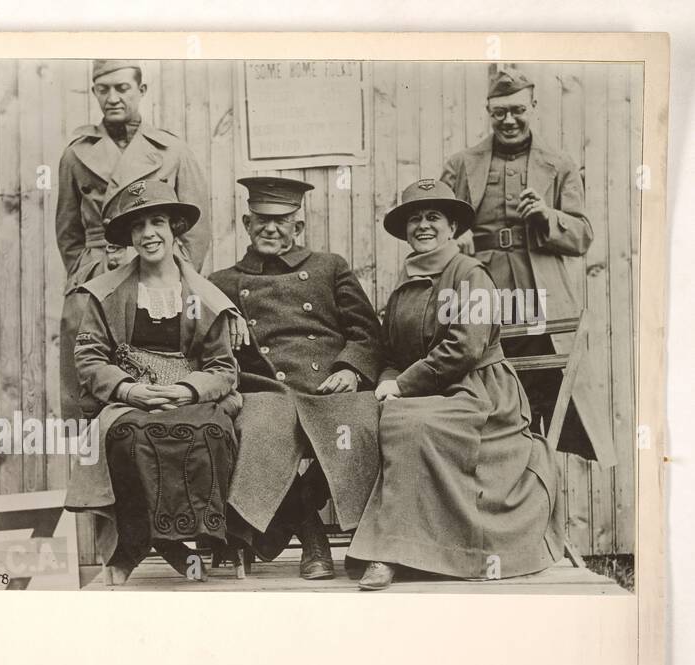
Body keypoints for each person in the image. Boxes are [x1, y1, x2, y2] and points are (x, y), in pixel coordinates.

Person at [348, 179, 565, 591]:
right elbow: (392, 353)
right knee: (369, 415)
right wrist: (389, 380)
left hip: (482, 393)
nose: (423, 226)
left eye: (434, 218)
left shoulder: (471, 275)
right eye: (415, 219)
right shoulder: (403, 285)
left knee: (408, 424)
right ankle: (410, 545)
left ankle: (390, 552)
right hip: (431, 391)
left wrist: (403, 386)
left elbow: (464, 347)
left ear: (452, 228)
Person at [63, 178, 242, 585]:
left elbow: (223, 368)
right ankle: (135, 544)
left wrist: (186, 391)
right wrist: (130, 390)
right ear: (129, 235)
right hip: (132, 397)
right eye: (139, 226)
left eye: (157, 222)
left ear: (174, 228)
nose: (149, 234)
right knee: (127, 435)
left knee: (210, 432)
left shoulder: (205, 296)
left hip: (190, 396)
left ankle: (194, 544)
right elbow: (89, 357)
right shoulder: (105, 294)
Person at [209, 177, 383, 579]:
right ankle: (314, 539)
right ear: (246, 224)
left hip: (329, 385)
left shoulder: (329, 267)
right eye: (261, 220)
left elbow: (366, 332)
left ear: (298, 227)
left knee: (360, 427)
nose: (271, 229)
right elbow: (212, 349)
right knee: (260, 430)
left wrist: (349, 368)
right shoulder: (222, 282)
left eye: (282, 221)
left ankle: (359, 541)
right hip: (265, 387)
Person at [440, 66, 614, 466]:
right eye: (499, 112)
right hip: (481, 299)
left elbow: (583, 236)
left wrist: (547, 216)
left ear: (533, 106)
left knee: (547, 404)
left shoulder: (560, 164)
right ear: (489, 111)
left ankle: (540, 493)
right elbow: (436, 224)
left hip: (541, 301)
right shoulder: (462, 164)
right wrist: (456, 240)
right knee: (486, 398)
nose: (509, 120)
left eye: (517, 110)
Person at [54, 59, 211, 421]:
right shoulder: (76, 154)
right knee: (88, 377)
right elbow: (68, 233)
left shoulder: (172, 150)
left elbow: (196, 228)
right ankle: (91, 470)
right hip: (98, 273)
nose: (112, 97)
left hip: (159, 272)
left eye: (122, 88)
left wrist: (170, 273)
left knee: (160, 379)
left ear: (141, 91)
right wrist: (86, 269)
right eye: (103, 89)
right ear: (94, 92)